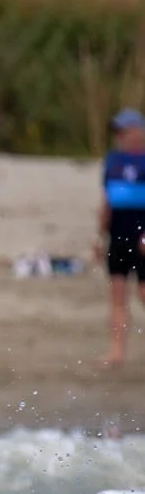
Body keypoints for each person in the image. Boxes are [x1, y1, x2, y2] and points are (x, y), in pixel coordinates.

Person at [99, 108, 145, 365]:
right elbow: (107, 200)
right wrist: (99, 236)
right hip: (118, 232)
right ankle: (116, 352)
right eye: (118, 132)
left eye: (125, 131)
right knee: (117, 292)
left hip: (142, 232)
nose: (121, 137)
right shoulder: (113, 160)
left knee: (143, 291)